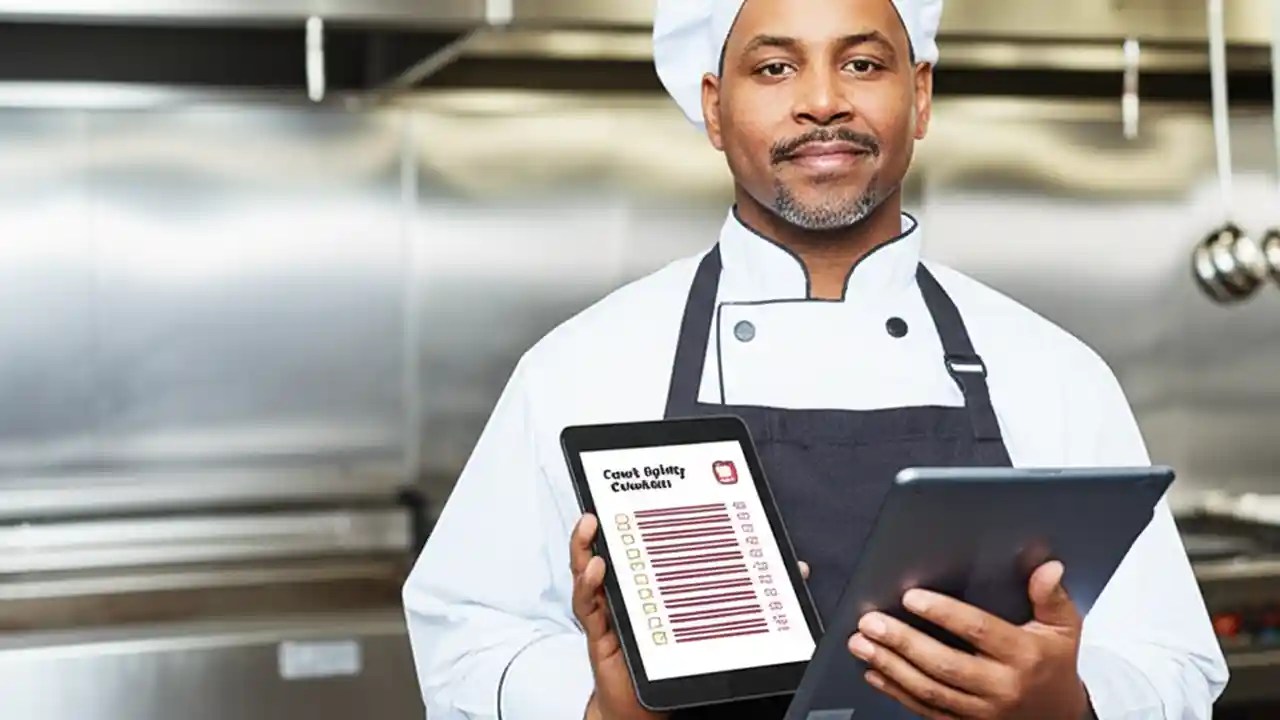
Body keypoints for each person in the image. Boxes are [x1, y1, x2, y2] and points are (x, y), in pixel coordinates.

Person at [402, 0, 1230, 717]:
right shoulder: (583, 370)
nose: (824, 102)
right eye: (774, 68)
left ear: (922, 94)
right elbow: (465, 642)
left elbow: (1177, 665)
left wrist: (1073, 705)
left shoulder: (1054, 376)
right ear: (715, 108)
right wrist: (597, 708)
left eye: (864, 62)